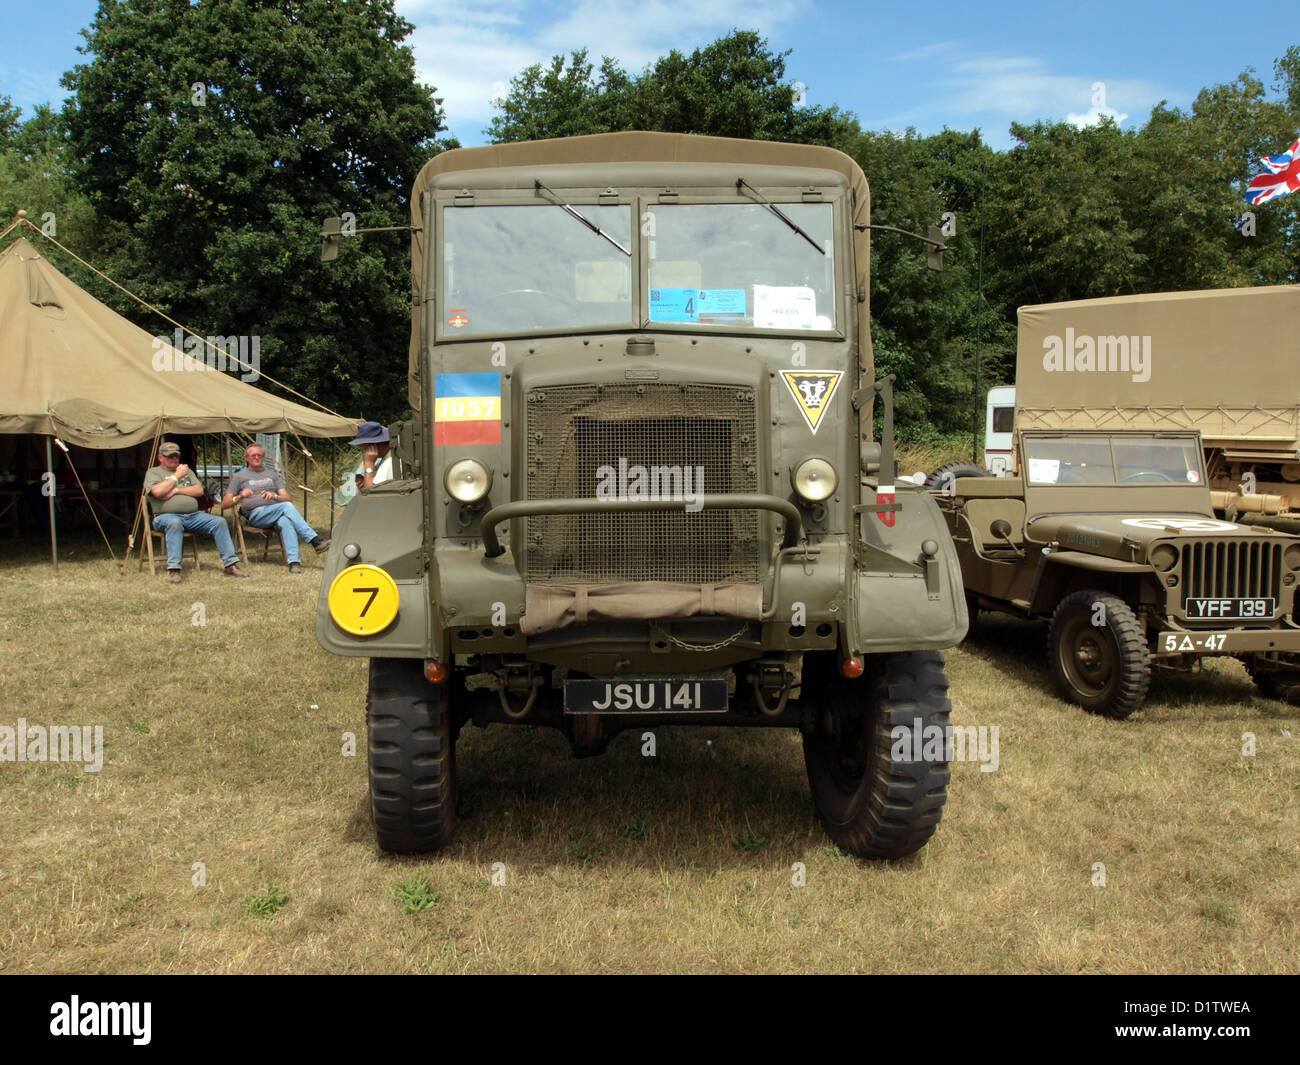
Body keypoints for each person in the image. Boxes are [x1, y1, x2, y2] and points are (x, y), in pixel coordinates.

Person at [144, 441, 247, 583]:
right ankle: (174, 570)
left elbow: (199, 491)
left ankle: (230, 564)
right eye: (169, 457)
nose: (174, 459)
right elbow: (157, 491)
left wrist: (175, 490)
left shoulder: (188, 471)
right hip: (165, 516)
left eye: (176, 456)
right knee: (175, 522)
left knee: (219, 522)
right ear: (160, 458)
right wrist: (176, 477)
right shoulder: (154, 473)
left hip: (193, 515)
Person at [221, 443, 330, 574]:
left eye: (259, 455)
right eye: (253, 455)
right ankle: (314, 541)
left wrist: (274, 496)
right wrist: (240, 496)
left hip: (275, 512)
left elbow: (287, 498)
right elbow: (224, 504)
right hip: (256, 515)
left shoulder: (272, 475)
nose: (256, 457)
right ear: (247, 458)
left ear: (263, 457)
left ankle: (294, 563)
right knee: (286, 507)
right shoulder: (239, 477)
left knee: (286, 520)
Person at [350, 421, 393, 489]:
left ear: (373, 445)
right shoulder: (387, 456)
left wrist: (369, 463)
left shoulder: (389, 461)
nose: (365, 453)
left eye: (365, 449)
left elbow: (370, 492)